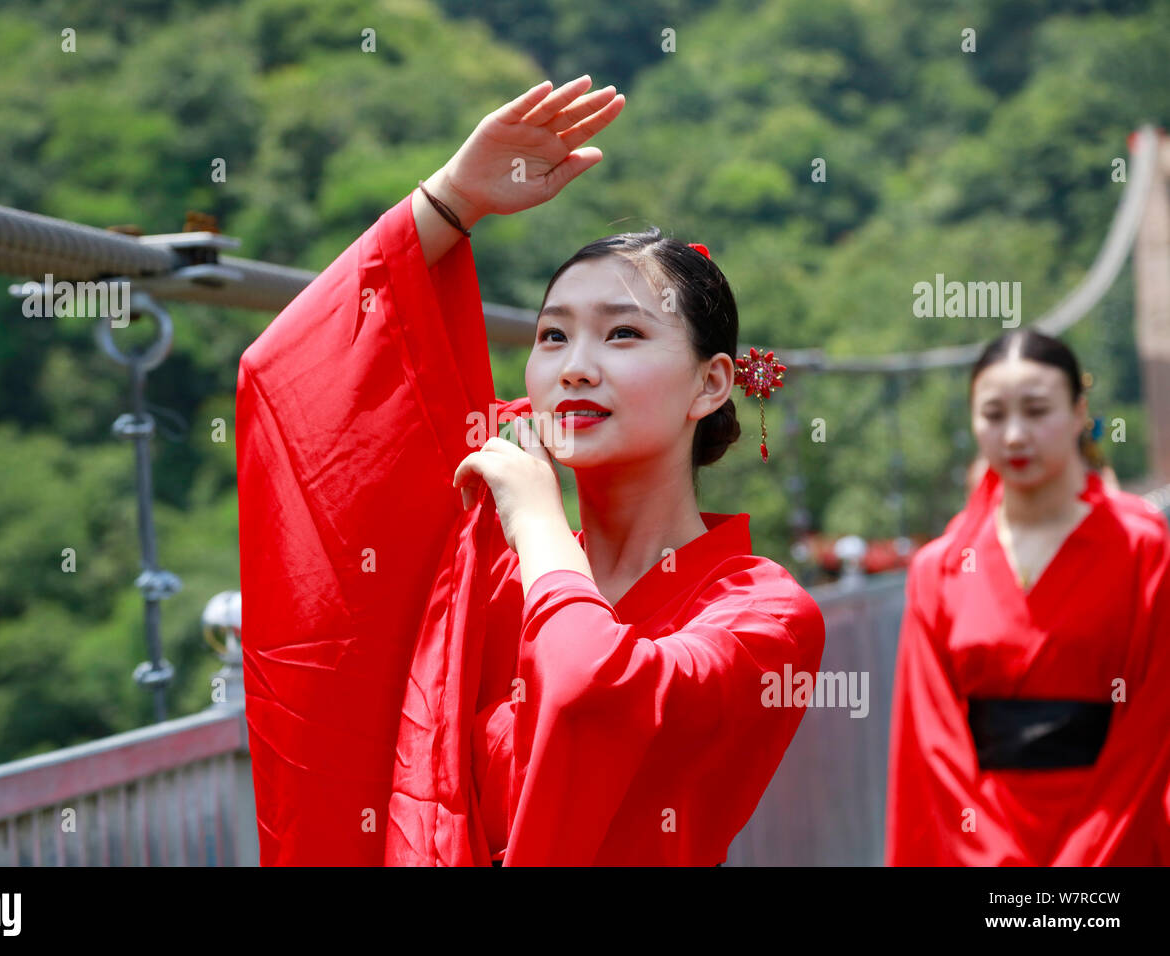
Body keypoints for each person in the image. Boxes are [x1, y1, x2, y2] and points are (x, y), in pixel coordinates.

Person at [237, 76, 825, 867]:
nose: (575, 368)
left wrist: (540, 521)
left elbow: (592, 691)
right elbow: (290, 384)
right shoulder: (487, 567)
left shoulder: (766, 617)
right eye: (552, 337)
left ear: (711, 384)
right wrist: (452, 200)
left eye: (622, 336)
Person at [886, 328, 1170, 865]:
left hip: (1118, 838)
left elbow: (1151, 734)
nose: (1015, 435)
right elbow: (933, 746)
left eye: (1037, 411)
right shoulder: (938, 570)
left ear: (1079, 413)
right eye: (993, 415)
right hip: (982, 845)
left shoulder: (1143, 549)